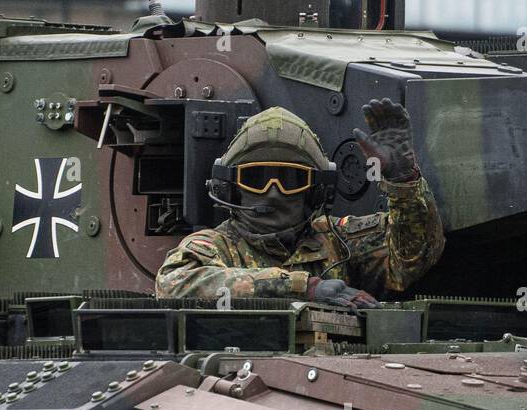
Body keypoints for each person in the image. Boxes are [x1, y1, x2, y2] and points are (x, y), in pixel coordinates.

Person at [154, 100, 444, 309]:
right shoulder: (212, 246)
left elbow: (412, 258)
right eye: (256, 178)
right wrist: (304, 289)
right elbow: (174, 285)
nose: (273, 192)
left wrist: (403, 178)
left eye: (292, 179)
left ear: (315, 192)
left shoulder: (338, 241)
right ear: (232, 189)